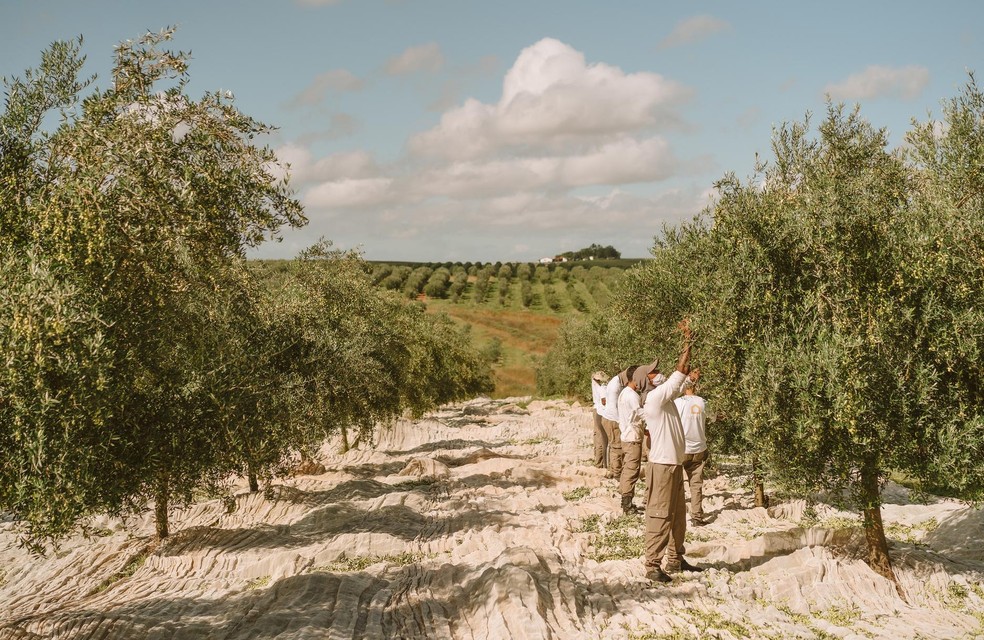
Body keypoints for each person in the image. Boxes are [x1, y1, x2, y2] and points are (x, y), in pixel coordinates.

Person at [642, 319, 703, 583]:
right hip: (663, 466)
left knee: (677, 517)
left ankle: (676, 559)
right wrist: (687, 340)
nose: (659, 373)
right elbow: (680, 370)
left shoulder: (666, 399)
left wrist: (691, 377)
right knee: (660, 514)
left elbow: (682, 379)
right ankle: (652, 564)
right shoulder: (655, 399)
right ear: (646, 381)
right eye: (653, 372)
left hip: (674, 465)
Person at [675, 380, 708, 526]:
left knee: (676, 483)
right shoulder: (703, 402)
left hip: (682, 448)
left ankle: (674, 513)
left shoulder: (677, 403)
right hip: (699, 448)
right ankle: (697, 517)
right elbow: (713, 417)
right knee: (696, 484)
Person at [617, 366, 645, 514]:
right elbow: (640, 413)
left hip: (627, 436)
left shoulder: (624, 393)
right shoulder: (632, 395)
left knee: (627, 468)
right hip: (632, 437)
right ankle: (627, 505)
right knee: (631, 470)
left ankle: (626, 501)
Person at [599, 370, 624, 479]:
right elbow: (613, 407)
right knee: (617, 446)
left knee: (613, 446)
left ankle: (612, 470)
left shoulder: (614, 383)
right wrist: (620, 422)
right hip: (612, 419)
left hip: (608, 417)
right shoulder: (615, 386)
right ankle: (616, 473)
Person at [591, 371, 609, 469]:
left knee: (597, 436)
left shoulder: (595, 385)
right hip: (600, 411)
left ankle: (598, 461)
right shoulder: (602, 388)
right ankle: (600, 462)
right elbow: (604, 401)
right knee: (602, 437)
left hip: (596, 409)